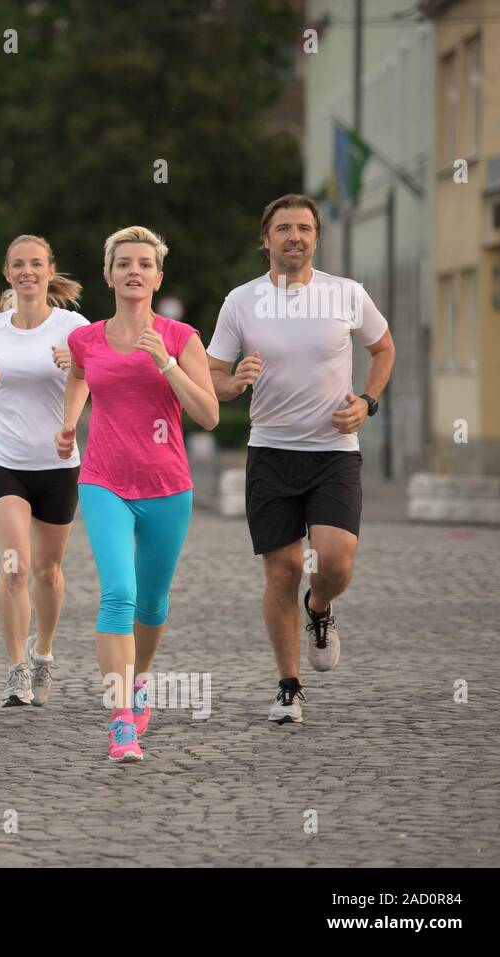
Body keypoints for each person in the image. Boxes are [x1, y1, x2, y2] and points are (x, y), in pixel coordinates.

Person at [206, 194, 395, 724]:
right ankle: (289, 685)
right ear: (265, 239)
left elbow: (383, 349)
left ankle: (320, 608)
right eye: (284, 228)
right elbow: (213, 374)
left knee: (333, 563)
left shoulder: (346, 294)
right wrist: (232, 382)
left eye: (305, 228)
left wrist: (368, 401)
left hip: (334, 452)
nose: (295, 237)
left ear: (316, 237)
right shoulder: (241, 301)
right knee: (283, 571)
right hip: (270, 452)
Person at [56, 226, 219, 762]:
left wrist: (165, 364)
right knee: (118, 594)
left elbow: (209, 415)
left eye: (144, 264)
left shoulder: (180, 337)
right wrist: (68, 423)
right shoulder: (86, 340)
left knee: (152, 604)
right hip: (103, 482)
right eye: (123, 262)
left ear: (158, 277)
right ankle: (121, 718)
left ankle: (142, 676)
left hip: (168, 487)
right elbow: (80, 377)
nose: (134, 271)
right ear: (108, 274)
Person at [0, 235, 88, 707]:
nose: (27, 271)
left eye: (36, 263)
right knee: (14, 563)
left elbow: (102, 374)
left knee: (49, 570)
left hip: (57, 462)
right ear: (7, 272)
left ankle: (43, 651)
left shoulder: (74, 326)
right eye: (18, 264)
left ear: (49, 270)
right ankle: (16, 668)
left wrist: (77, 367)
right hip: (4, 459)